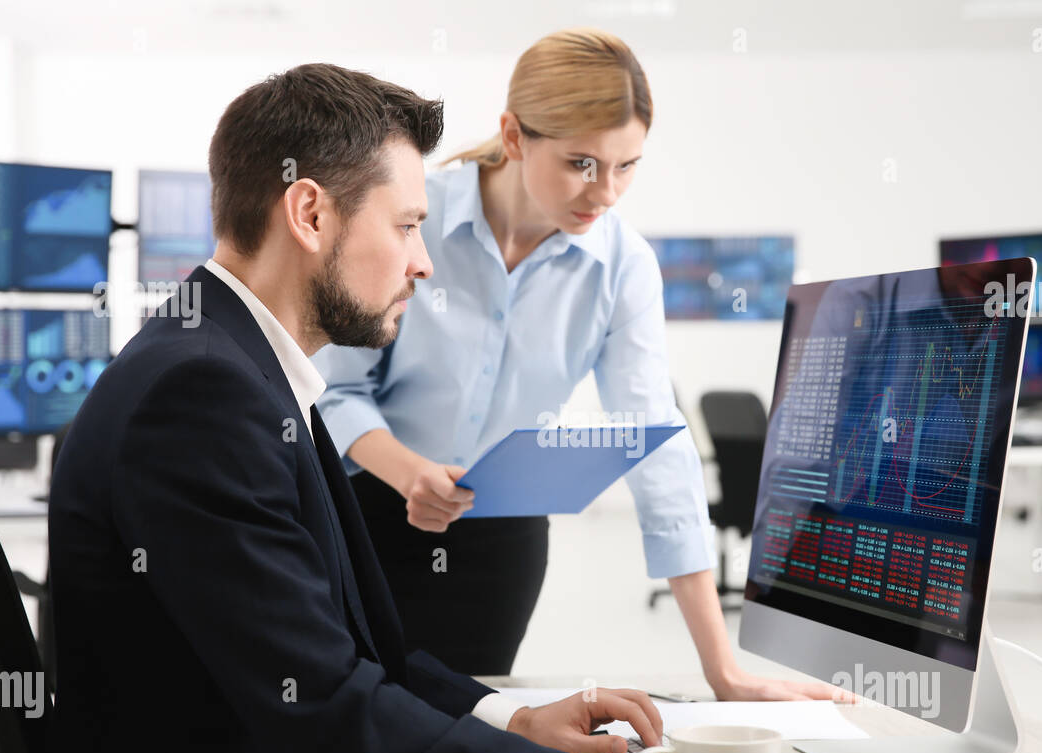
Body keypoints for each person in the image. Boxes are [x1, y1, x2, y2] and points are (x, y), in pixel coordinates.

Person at [46, 63, 810, 753]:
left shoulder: (234, 367)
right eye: (408, 225)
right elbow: (330, 713)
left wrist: (514, 721)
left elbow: (352, 663)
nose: (425, 263)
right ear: (309, 213)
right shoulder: (203, 398)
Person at [314, 29, 839, 701]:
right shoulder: (418, 216)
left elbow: (656, 450)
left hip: (500, 544)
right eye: (583, 163)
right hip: (366, 514)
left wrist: (723, 671)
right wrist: (410, 472)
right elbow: (335, 393)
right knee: (356, 724)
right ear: (514, 135)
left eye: (627, 166)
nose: (607, 191)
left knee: (462, 733)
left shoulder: (621, 267)